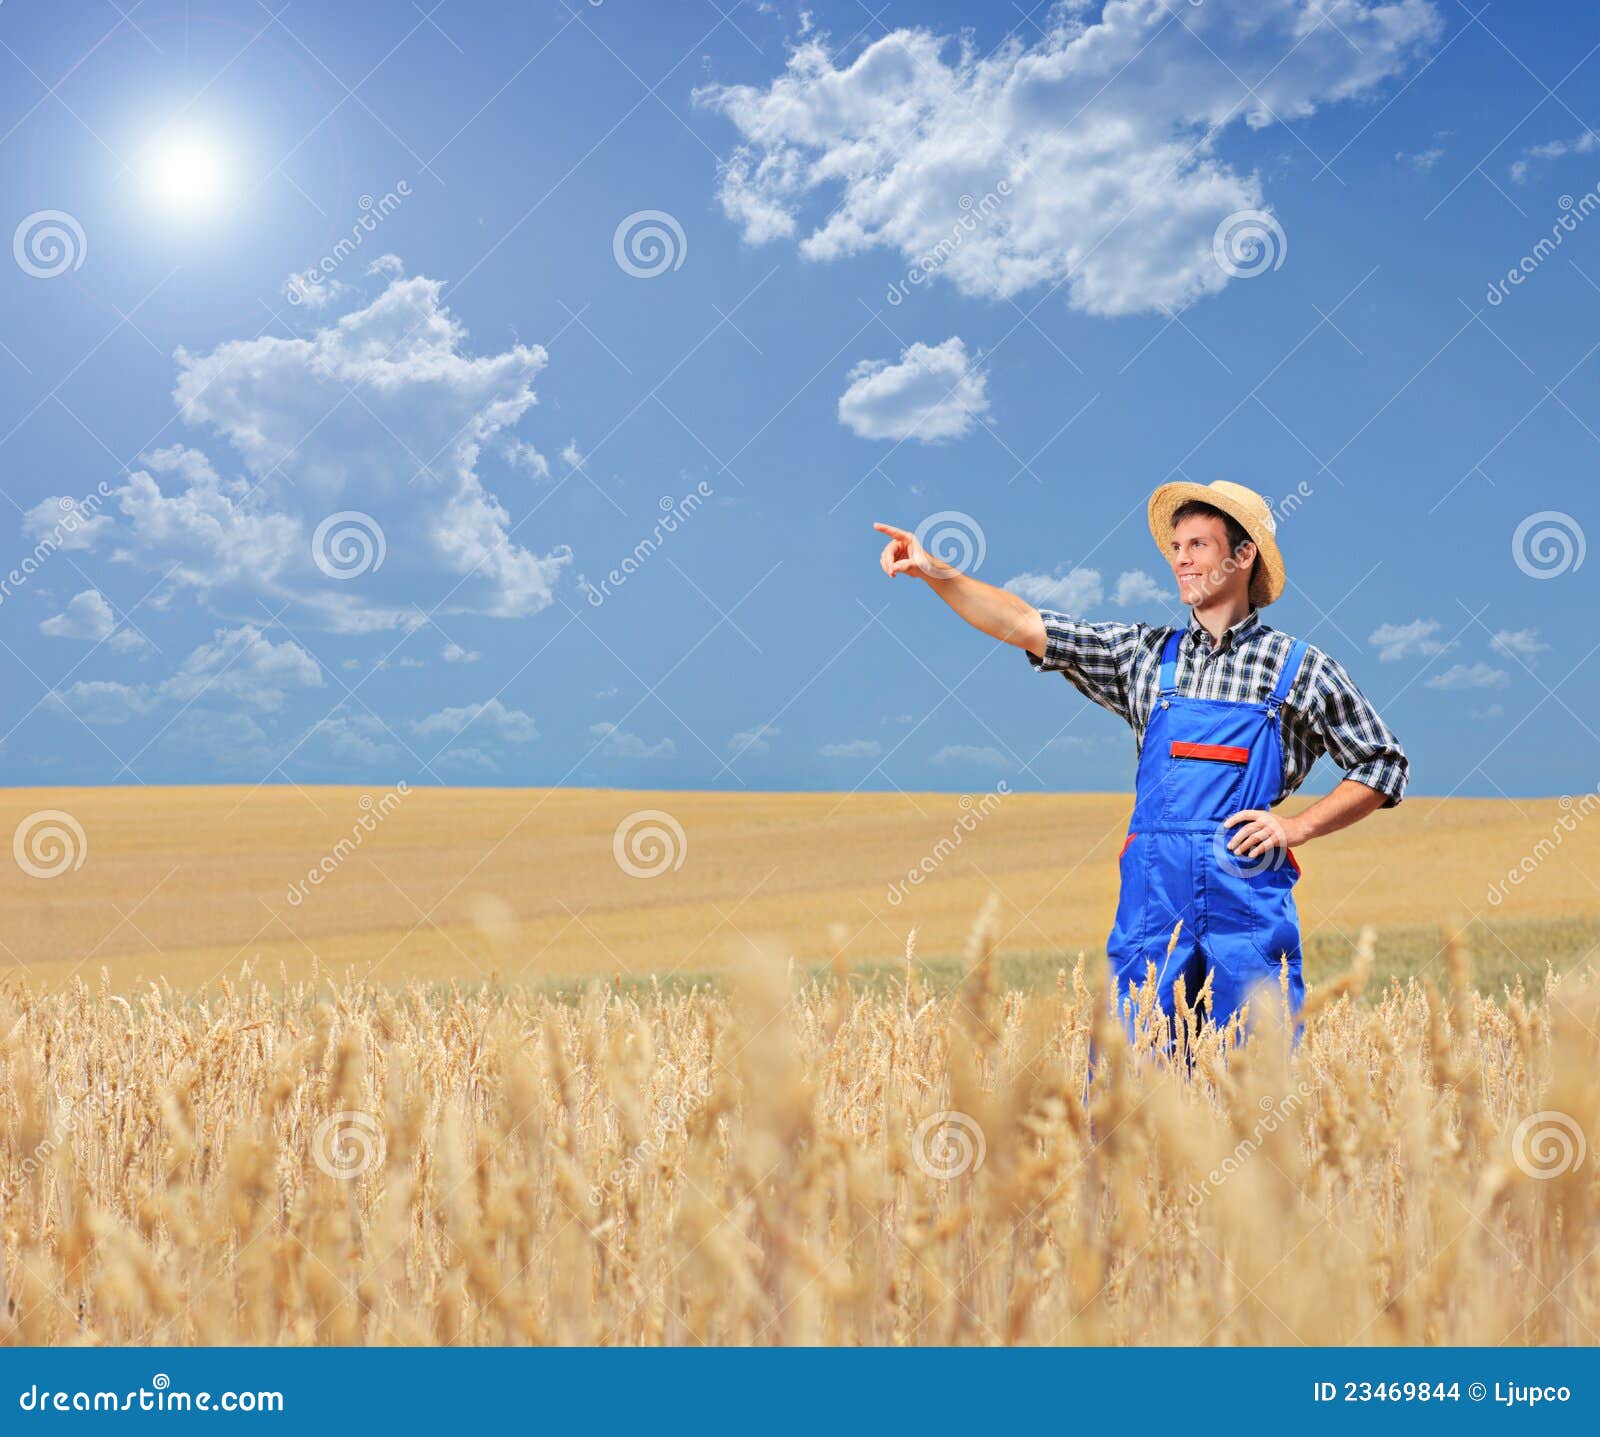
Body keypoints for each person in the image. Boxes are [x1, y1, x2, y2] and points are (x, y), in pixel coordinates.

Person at [872, 480, 1407, 1036]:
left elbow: (1383, 763)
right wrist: (937, 572)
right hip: (1155, 903)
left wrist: (1295, 827)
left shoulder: (1301, 668)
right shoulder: (1145, 658)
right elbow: (1027, 625)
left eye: (1198, 545)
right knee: (1135, 1077)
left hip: (1247, 901)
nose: (1181, 560)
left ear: (1244, 555)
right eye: (1176, 548)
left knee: (1255, 1077)